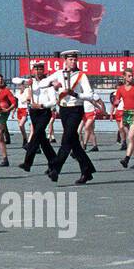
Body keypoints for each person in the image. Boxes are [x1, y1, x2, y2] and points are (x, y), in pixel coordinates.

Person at [48, 50, 96, 185]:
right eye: (70, 60)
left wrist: (76, 94)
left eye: (75, 60)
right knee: (73, 141)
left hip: (76, 108)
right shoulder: (59, 74)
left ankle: (55, 168)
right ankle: (87, 170)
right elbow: (43, 83)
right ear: (65, 60)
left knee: (67, 138)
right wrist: (53, 84)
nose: (73, 62)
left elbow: (90, 94)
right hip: (63, 109)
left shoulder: (81, 75)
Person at [17, 63, 58, 173]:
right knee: (42, 139)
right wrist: (25, 82)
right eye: (36, 69)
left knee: (36, 135)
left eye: (40, 69)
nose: (38, 71)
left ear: (43, 71)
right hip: (34, 112)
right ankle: (53, 162)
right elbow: (14, 80)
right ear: (33, 71)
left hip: (44, 111)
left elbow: (54, 101)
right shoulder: (31, 82)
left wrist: (41, 105)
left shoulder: (48, 83)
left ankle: (27, 163)